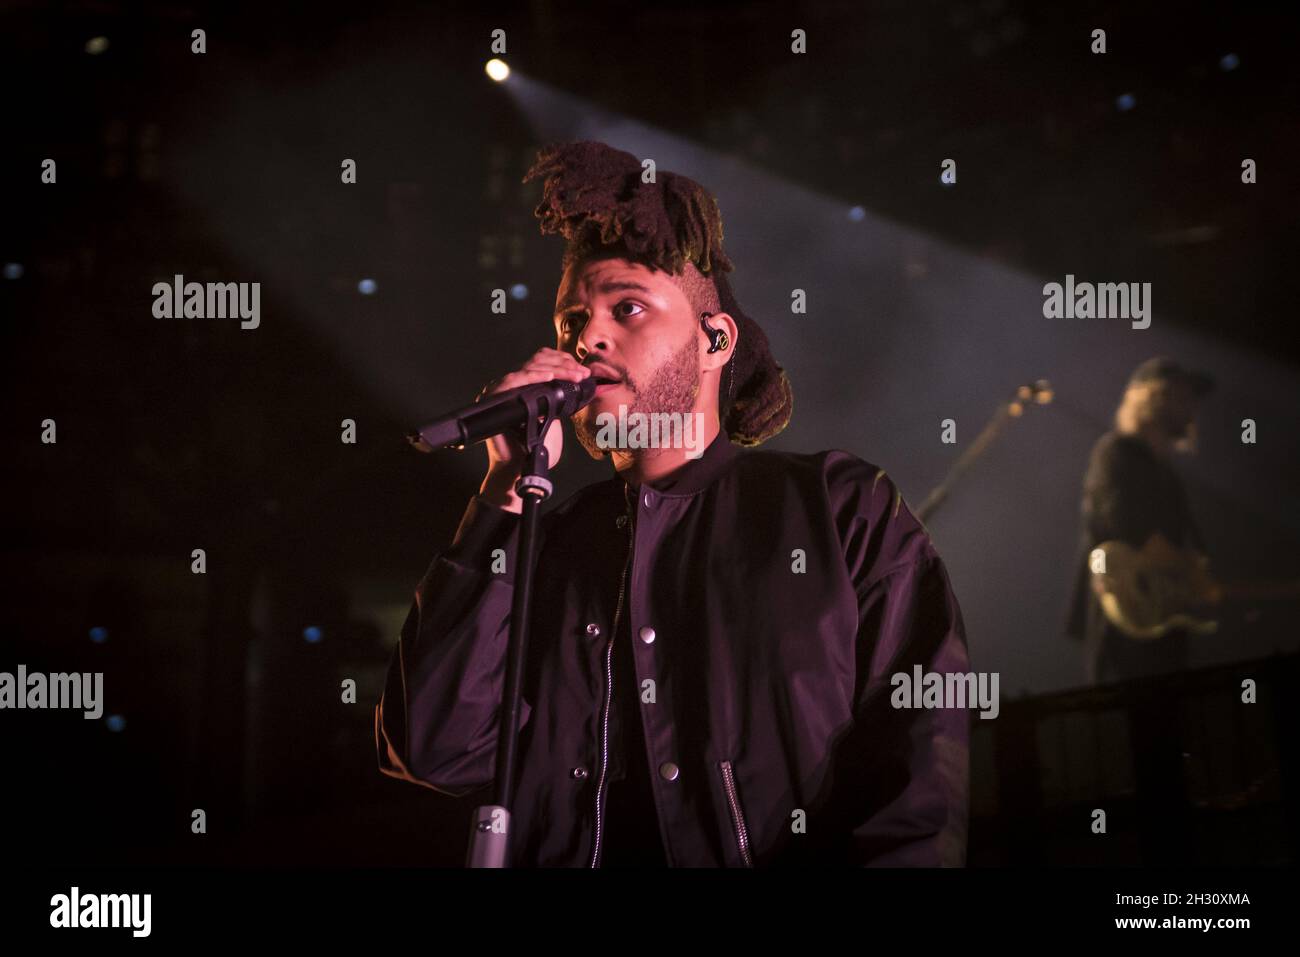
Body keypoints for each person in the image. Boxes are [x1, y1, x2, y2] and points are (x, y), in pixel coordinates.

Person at [375, 141, 970, 866]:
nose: (586, 337)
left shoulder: (839, 509)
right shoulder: (543, 545)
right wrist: (501, 492)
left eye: (627, 307)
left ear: (715, 339)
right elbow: (434, 749)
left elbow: (919, 764)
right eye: (569, 323)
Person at [1065, 357, 1216, 684]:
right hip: (1123, 632)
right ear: (1151, 396)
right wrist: (1191, 572)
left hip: (1163, 626)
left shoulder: (1168, 475)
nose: (1191, 406)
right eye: (1182, 394)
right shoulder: (1116, 454)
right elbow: (1137, 533)